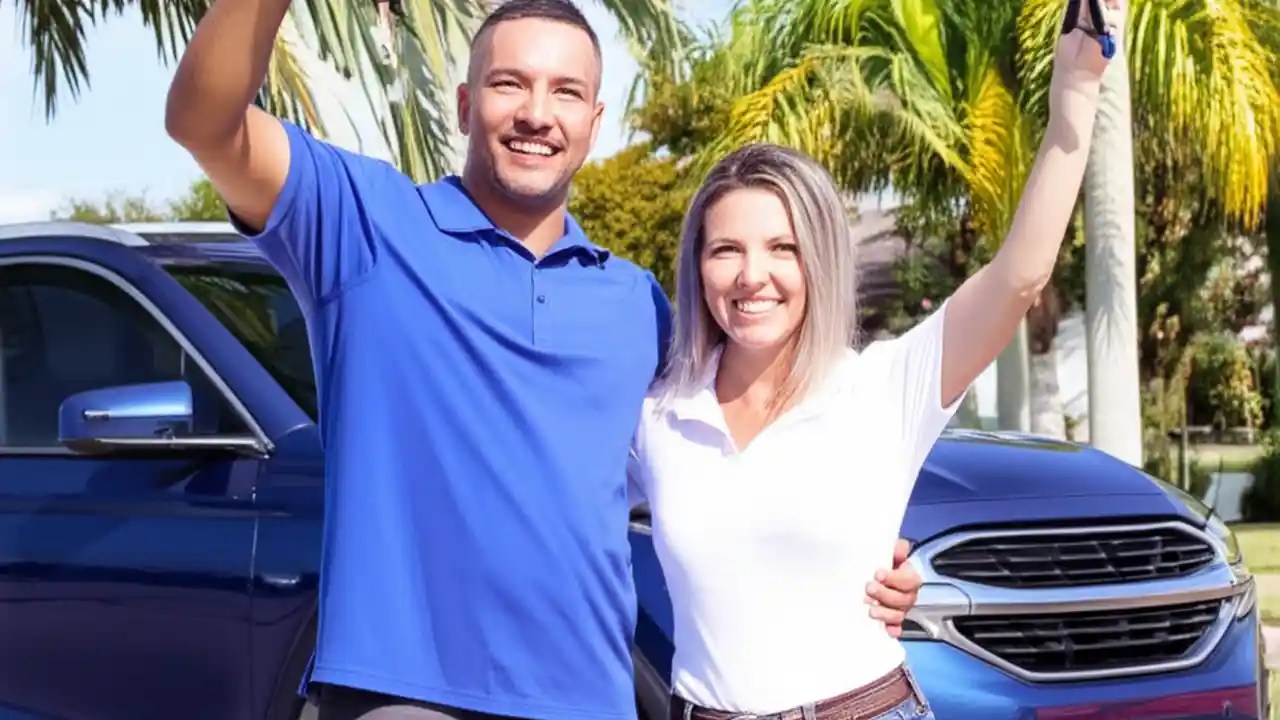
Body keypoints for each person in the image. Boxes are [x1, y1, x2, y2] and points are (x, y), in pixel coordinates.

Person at [164, 1, 924, 718]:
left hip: (588, 694)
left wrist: (852, 552)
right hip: (404, 691)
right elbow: (204, 121)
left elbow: (731, 449)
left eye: (566, 92)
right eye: (509, 84)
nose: (536, 112)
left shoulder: (637, 303)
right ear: (465, 106)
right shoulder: (363, 226)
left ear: (593, 122)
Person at [626, 1, 1120, 719]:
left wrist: (1078, 85)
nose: (750, 276)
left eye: (782, 248)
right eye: (725, 249)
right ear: (697, 267)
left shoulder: (884, 386)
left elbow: (1020, 276)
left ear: (820, 260)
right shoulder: (659, 416)